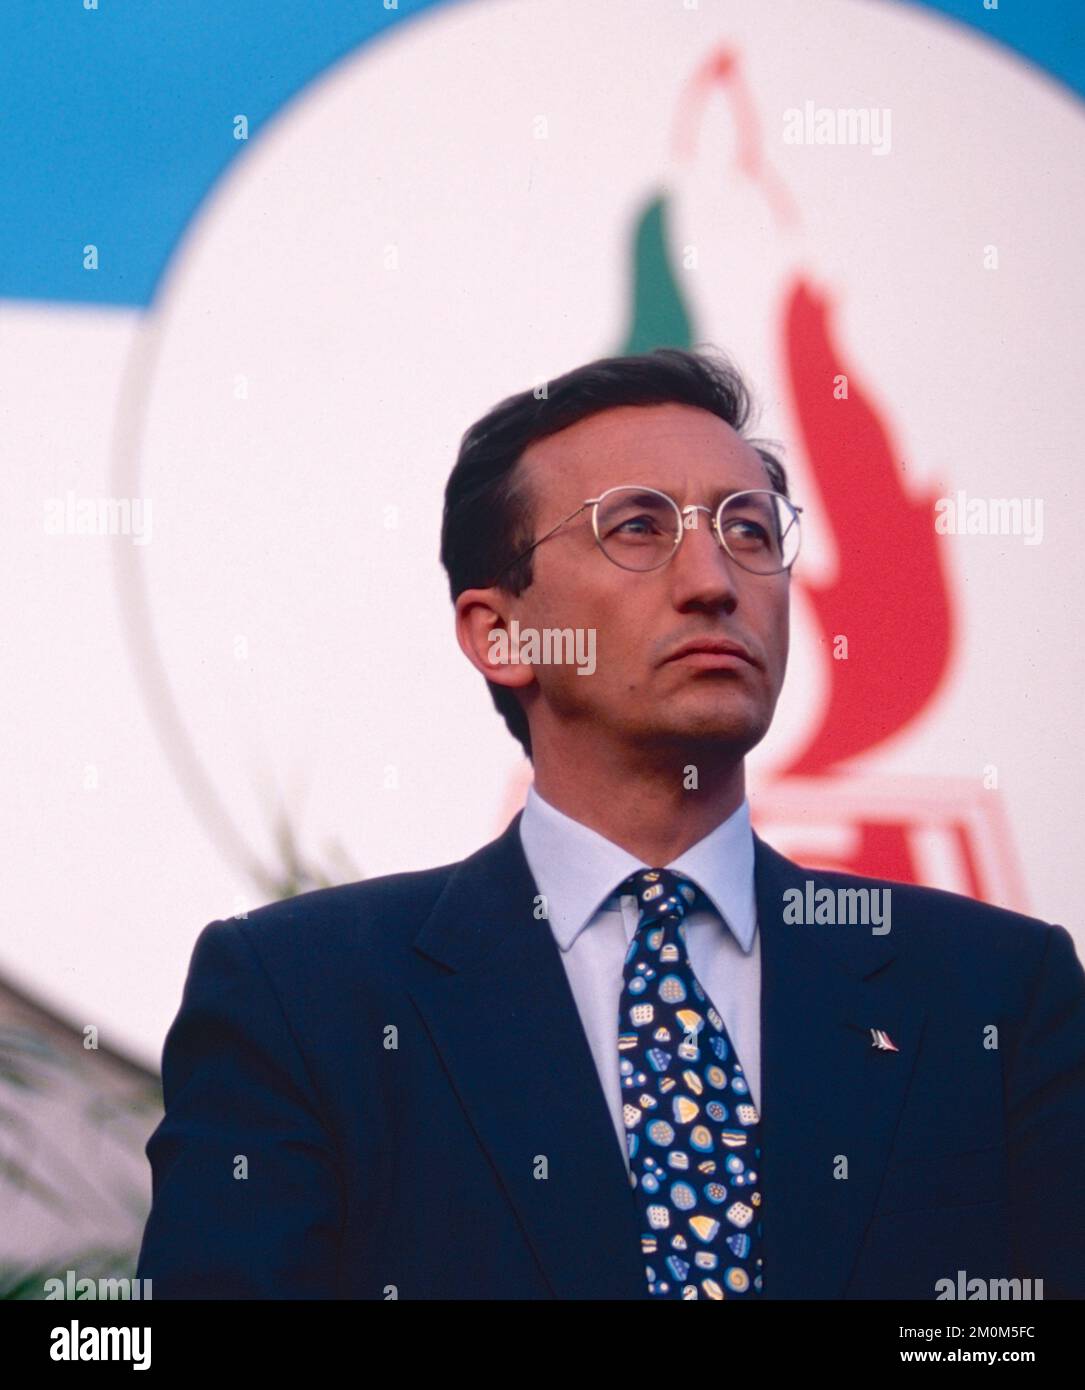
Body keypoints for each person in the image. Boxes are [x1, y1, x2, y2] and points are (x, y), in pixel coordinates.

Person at [136, 347, 1085, 1299]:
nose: (714, 581)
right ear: (500, 633)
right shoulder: (304, 999)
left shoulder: (995, 996)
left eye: (749, 531)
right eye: (638, 527)